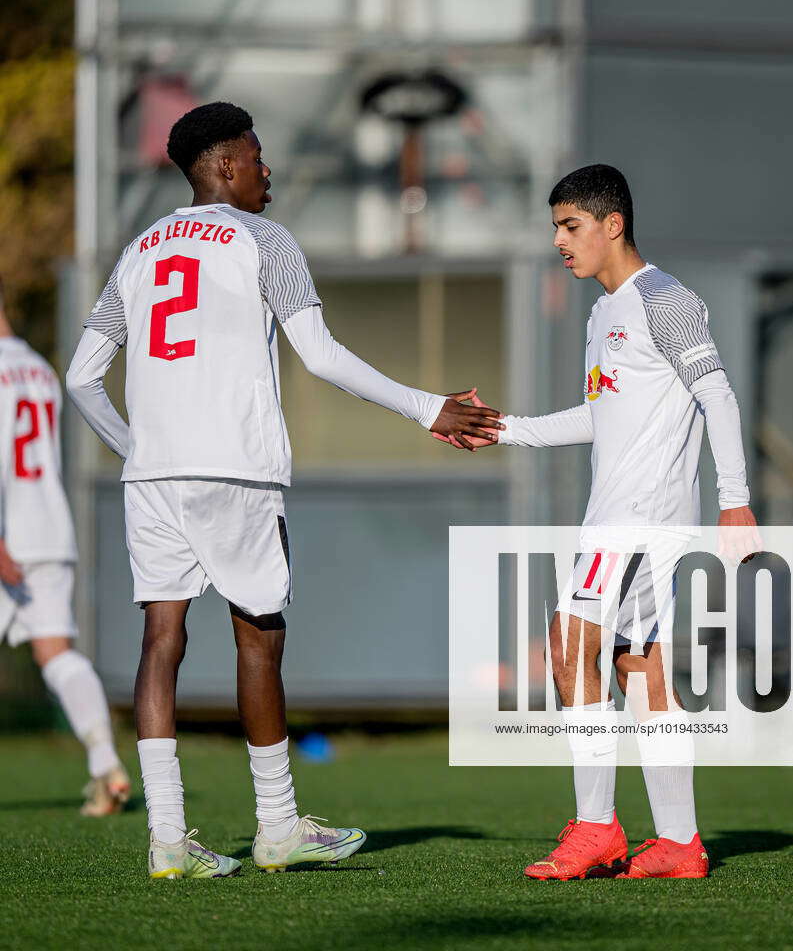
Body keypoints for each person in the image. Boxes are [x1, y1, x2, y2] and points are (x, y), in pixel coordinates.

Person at [66, 101, 502, 880]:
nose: (267, 171)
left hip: (153, 477)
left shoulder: (138, 249)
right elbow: (321, 355)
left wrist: (139, 449)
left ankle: (167, 839)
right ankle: (276, 826)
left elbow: (81, 377)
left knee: (160, 641)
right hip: (236, 469)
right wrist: (426, 407)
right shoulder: (263, 239)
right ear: (223, 164)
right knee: (259, 636)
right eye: (256, 157)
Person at [442, 164, 760, 880]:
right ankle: (678, 843)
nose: (559, 240)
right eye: (555, 227)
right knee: (638, 668)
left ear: (612, 224)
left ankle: (595, 828)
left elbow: (717, 396)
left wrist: (733, 498)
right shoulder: (602, 311)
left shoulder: (664, 299)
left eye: (570, 225)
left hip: (639, 519)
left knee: (567, 645)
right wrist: (504, 429)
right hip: (620, 518)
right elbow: (601, 416)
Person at [0, 276, 129, 816]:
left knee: (55, 655)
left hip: (8, 531)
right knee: (58, 656)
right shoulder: (38, 367)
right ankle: (106, 762)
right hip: (48, 529)